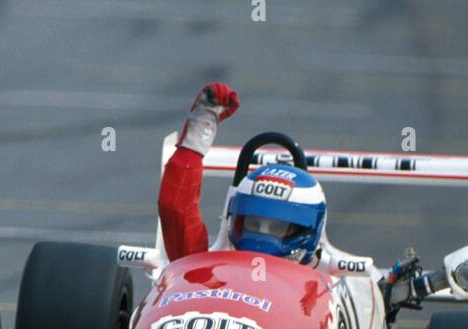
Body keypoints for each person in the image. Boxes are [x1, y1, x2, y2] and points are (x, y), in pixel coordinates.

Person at [157, 82, 373, 278]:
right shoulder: (209, 272)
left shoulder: (336, 280)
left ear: (306, 231)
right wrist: (201, 129)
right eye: (252, 224)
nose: (261, 237)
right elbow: (175, 208)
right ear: (236, 221)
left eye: (278, 227)